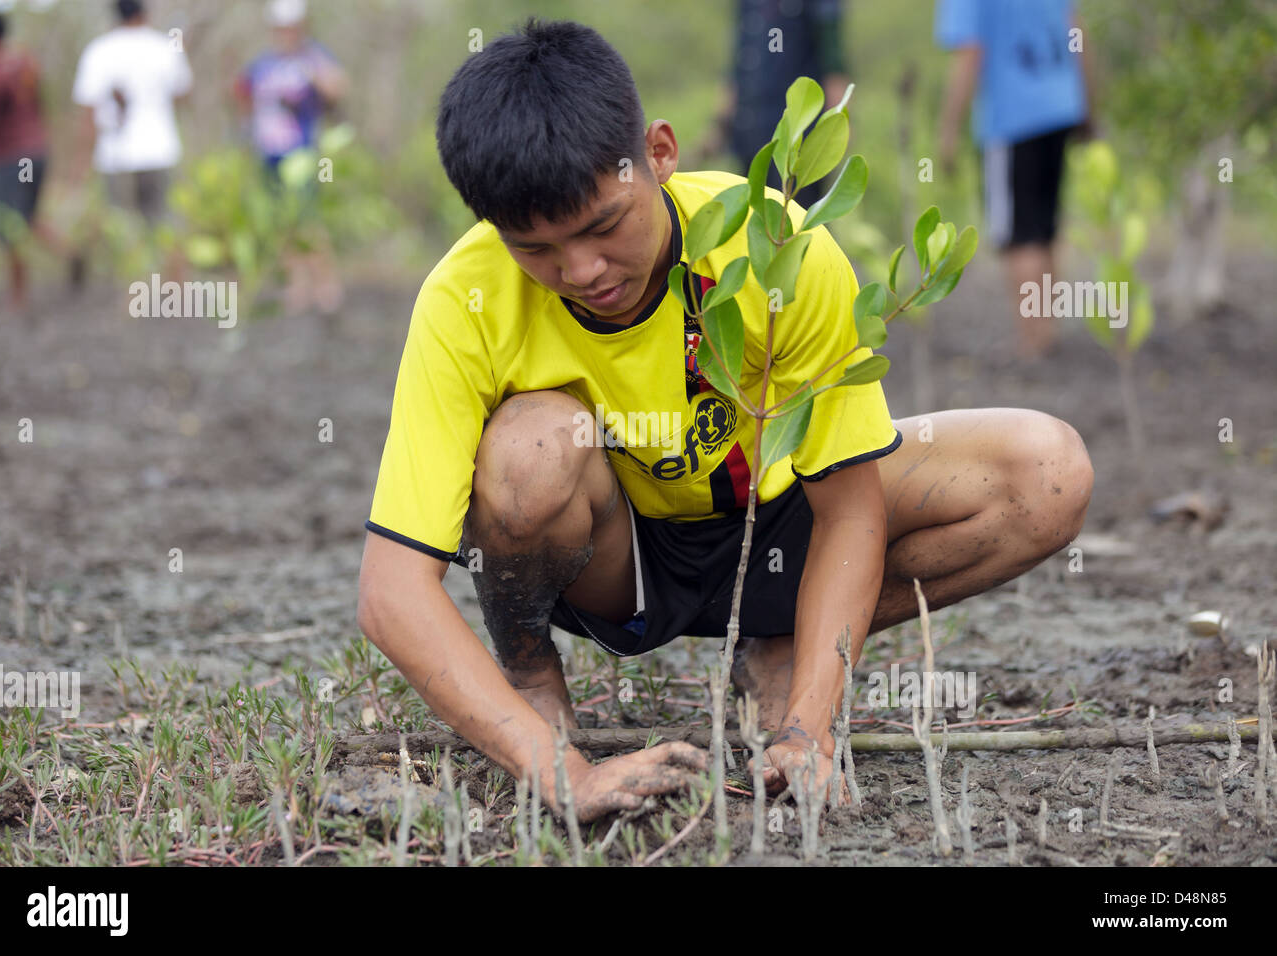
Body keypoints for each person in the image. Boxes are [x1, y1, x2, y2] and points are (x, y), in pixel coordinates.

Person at [357, 19, 1094, 821]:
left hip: (778, 522)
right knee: (528, 449)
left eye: (604, 226)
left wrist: (809, 728)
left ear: (660, 153)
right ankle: (531, 675)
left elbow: (849, 511)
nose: (582, 272)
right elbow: (392, 591)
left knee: (1046, 470)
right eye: (537, 249)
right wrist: (563, 771)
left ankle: (783, 647)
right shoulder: (461, 300)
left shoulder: (776, 247)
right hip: (619, 557)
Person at [936, 0, 1094, 360]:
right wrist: (1087, 104)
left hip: (1011, 119)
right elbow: (1077, 32)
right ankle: (1047, 333)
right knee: (1044, 229)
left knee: (1019, 237)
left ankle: (1032, 343)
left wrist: (948, 131)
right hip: (1061, 105)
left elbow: (970, 54)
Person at [232, 0, 347, 314]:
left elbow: (337, 90)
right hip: (269, 156)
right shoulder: (263, 64)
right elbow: (243, 94)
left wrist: (312, 71)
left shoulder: (314, 57)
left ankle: (327, 291)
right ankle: (296, 292)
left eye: (292, 28)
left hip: (302, 157)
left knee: (308, 223)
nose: (286, 34)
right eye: (281, 28)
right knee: (282, 226)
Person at [706, 0, 851, 208]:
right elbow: (739, 59)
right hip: (750, 130)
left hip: (797, 138)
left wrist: (841, 124)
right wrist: (720, 124)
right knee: (752, 216)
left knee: (797, 220)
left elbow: (833, 60)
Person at [0, 6, 68, 312]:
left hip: (13, 159)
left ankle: (18, 296)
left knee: (11, 224)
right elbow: (40, 105)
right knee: (26, 218)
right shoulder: (27, 62)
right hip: (35, 155)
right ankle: (71, 253)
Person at [71, 0, 192, 226]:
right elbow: (183, 94)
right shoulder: (166, 47)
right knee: (162, 227)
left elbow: (88, 111)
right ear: (144, 12)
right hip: (160, 151)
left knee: (122, 231)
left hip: (115, 155)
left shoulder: (99, 50)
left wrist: (81, 164)